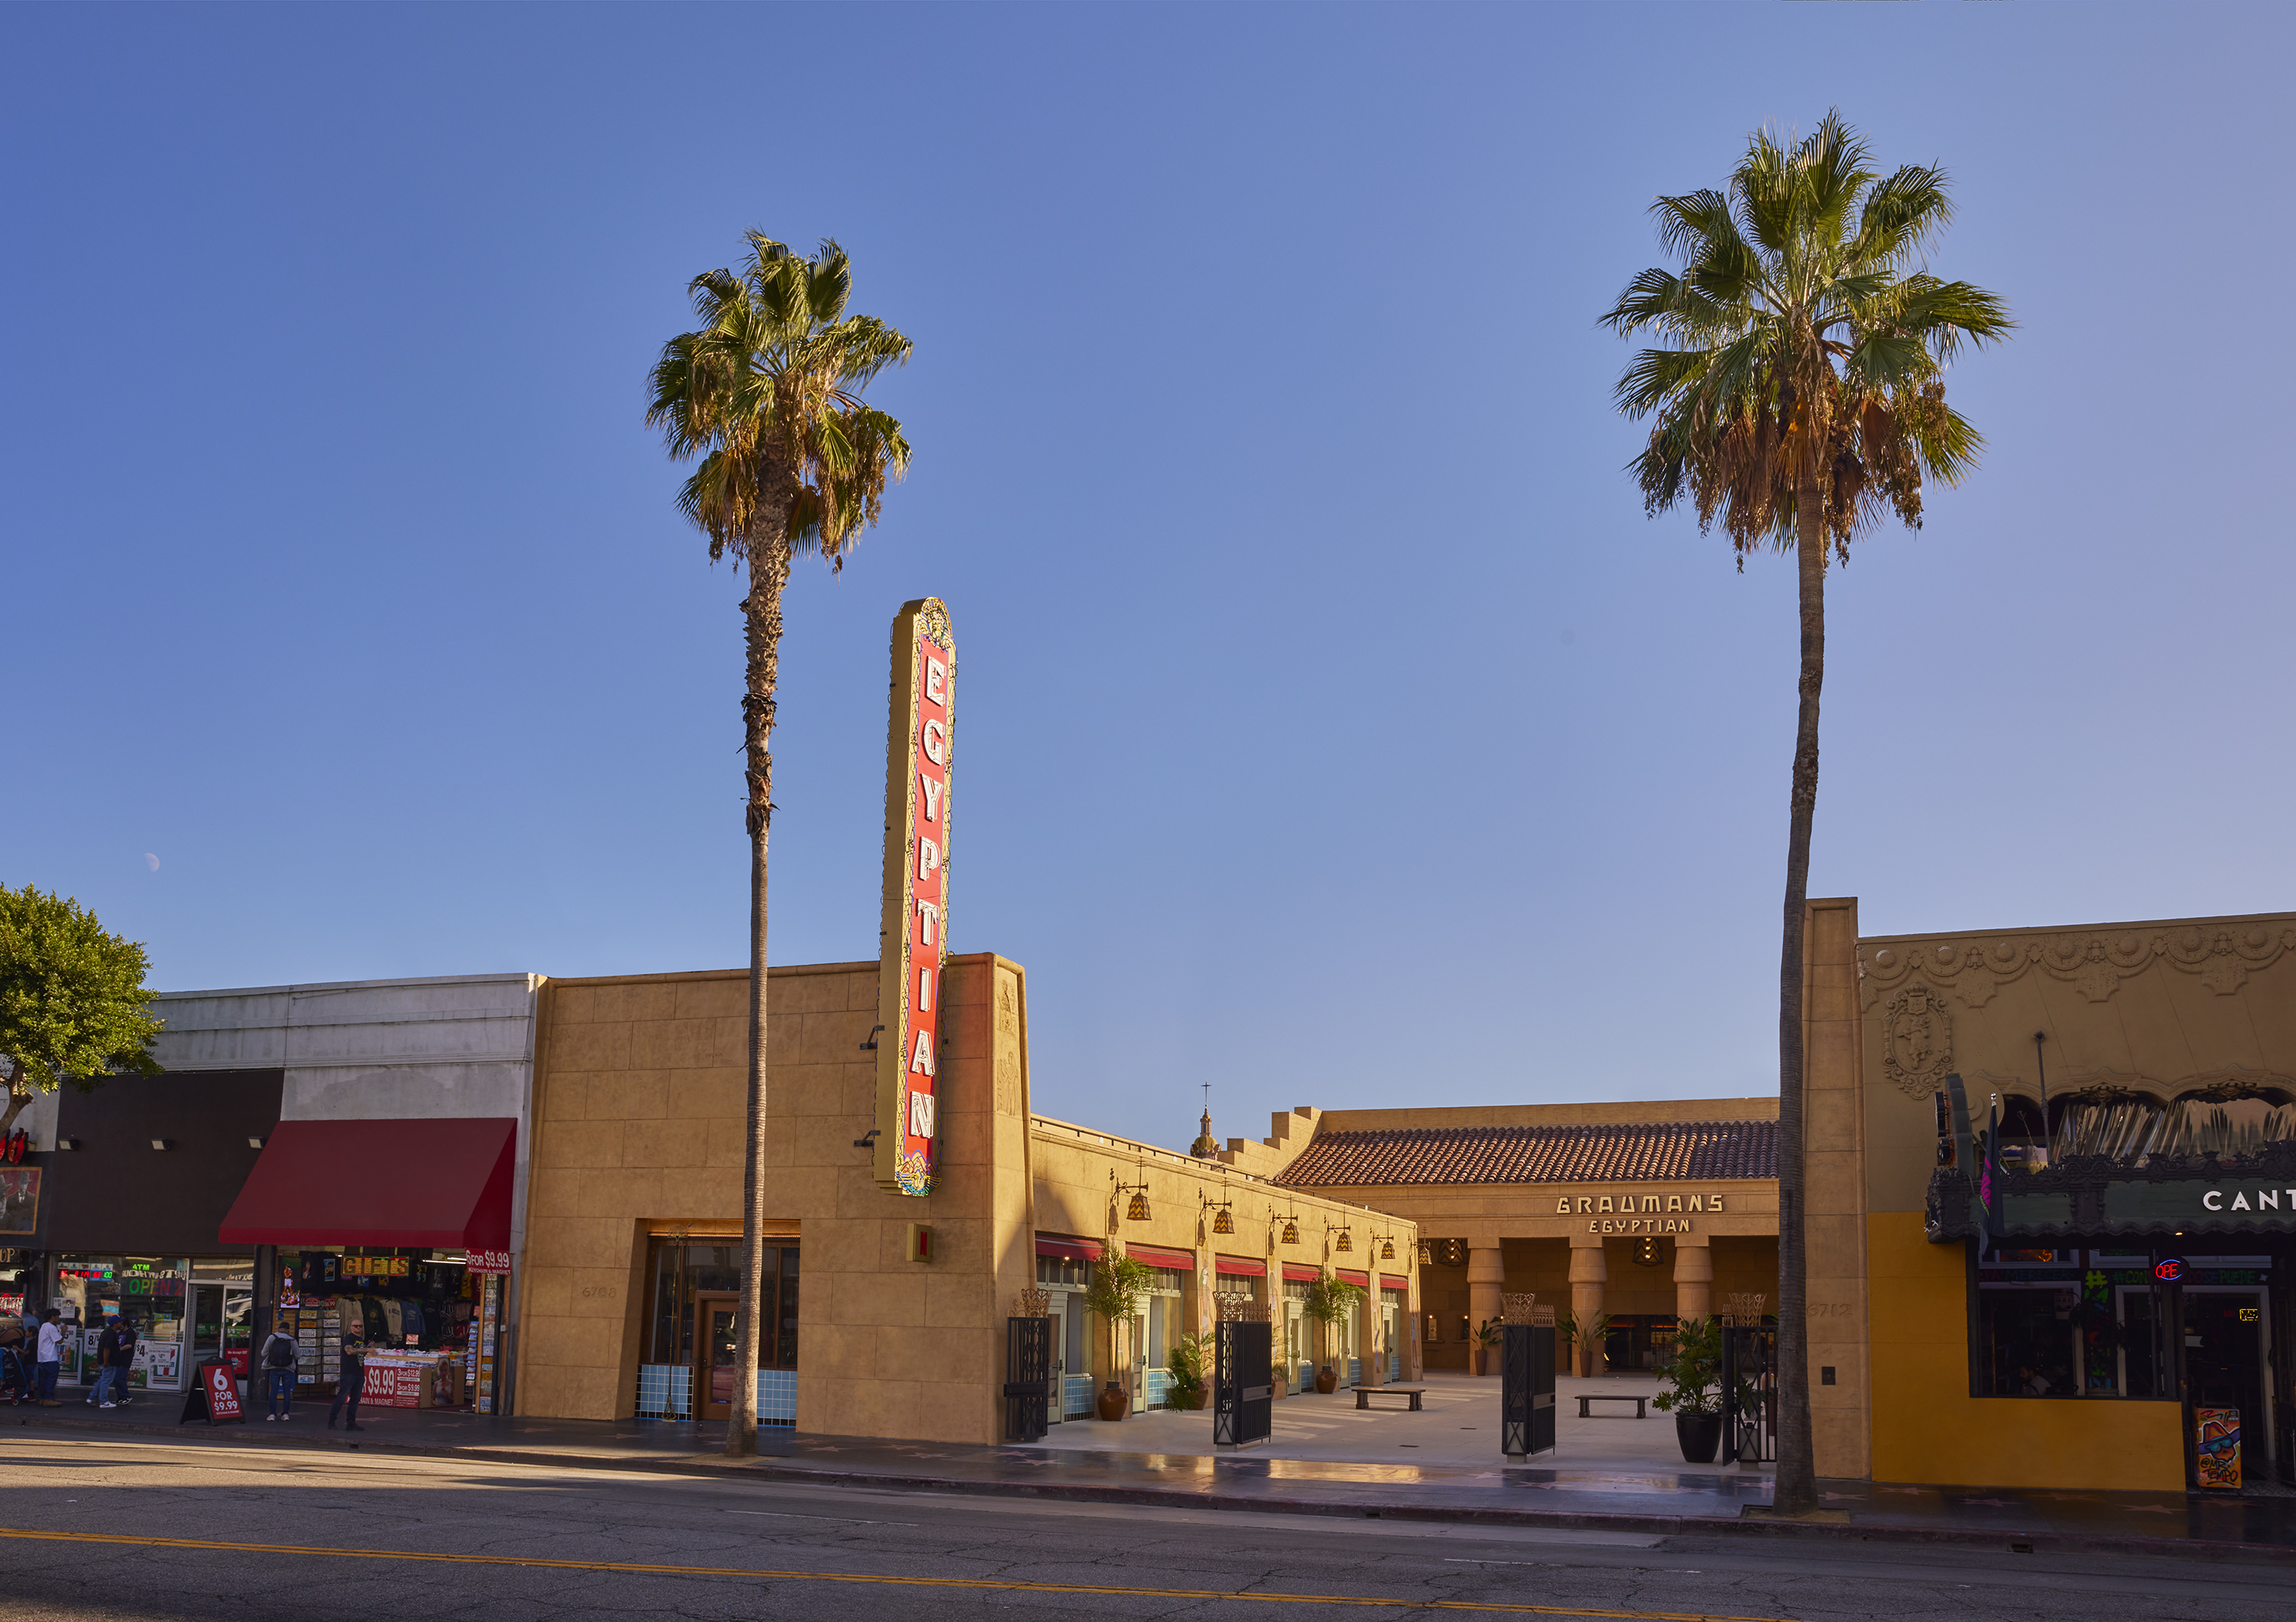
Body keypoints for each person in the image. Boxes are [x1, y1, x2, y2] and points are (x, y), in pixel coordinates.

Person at [258, 1322, 299, 1421]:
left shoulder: (272, 1338)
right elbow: (298, 1355)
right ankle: (285, 1414)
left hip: (274, 1367)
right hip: (288, 1369)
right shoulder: (292, 1339)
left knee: (274, 1391)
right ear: (288, 1330)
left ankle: (272, 1414)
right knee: (287, 1391)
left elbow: (264, 1353)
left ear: (279, 1328)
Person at [327, 1335, 365, 1431]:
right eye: (356, 1326)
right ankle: (332, 1420)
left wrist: (368, 1349)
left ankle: (351, 1422)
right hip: (348, 1373)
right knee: (342, 1397)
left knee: (355, 1399)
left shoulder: (360, 1340)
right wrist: (366, 1350)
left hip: (359, 1373)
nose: (358, 1328)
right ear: (351, 1327)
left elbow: (360, 1355)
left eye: (360, 1326)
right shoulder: (348, 1338)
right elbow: (349, 1351)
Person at [88, 1317, 124, 1408]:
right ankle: (103, 1401)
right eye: (120, 1322)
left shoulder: (106, 1332)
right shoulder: (112, 1334)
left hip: (103, 1360)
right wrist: (106, 1362)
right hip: (109, 1362)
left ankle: (92, 1397)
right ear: (115, 1324)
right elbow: (107, 1349)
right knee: (106, 1381)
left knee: (103, 1379)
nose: (121, 1323)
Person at [33, 1309, 64, 1406]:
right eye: (57, 1316)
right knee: (51, 1379)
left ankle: (42, 1398)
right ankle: (48, 1398)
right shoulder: (51, 1327)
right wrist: (63, 1331)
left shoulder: (43, 1326)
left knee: (44, 1379)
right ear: (53, 1317)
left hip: (42, 1357)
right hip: (50, 1357)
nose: (58, 1318)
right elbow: (59, 1341)